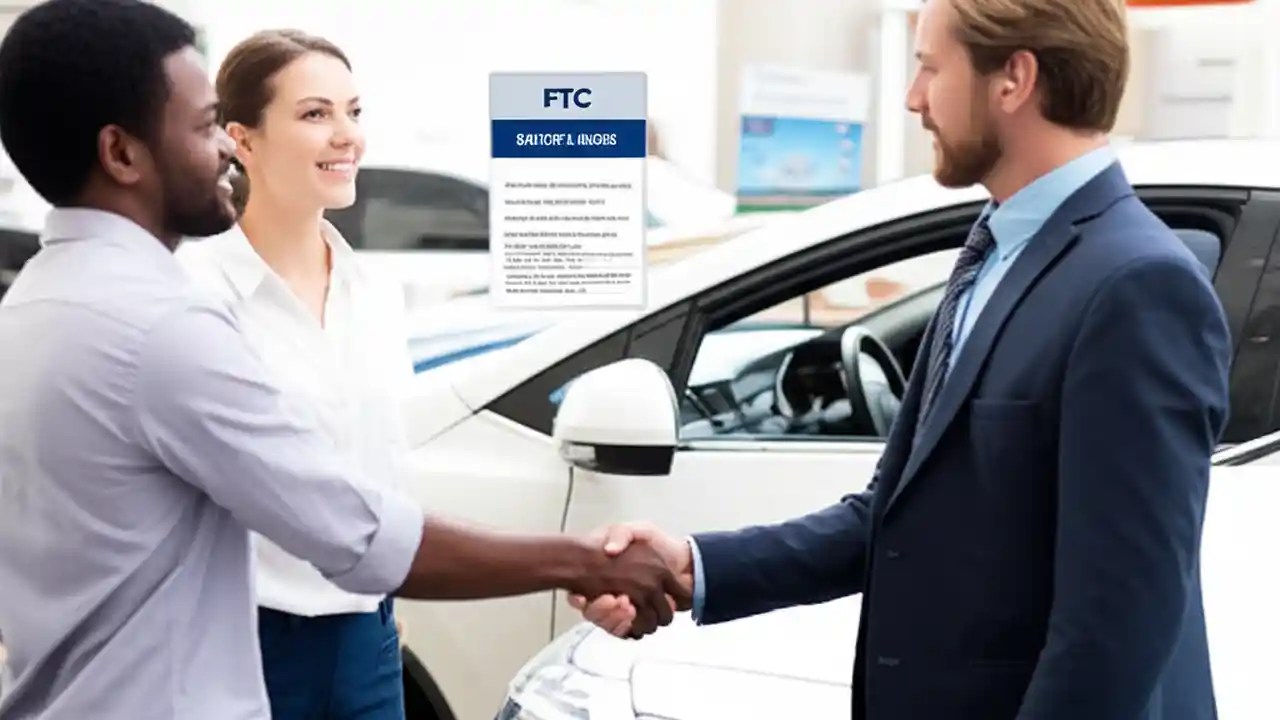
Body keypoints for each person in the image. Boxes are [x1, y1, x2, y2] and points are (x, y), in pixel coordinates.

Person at [0, 2, 687, 719]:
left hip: (351, 639)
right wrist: (584, 561)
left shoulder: (38, 304)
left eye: (352, 110)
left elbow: (378, 486)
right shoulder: (163, 322)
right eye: (206, 128)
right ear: (121, 154)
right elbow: (354, 531)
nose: (223, 153)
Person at [575, 1, 1230, 719]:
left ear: (1013, 78)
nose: (915, 99)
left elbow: (1117, 624)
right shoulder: (996, 250)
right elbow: (889, 517)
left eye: (929, 67)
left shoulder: (1136, 286)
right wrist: (691, 566)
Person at [172, 29, 410, 720]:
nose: (347, 137)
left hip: (368, 637)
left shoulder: (377, 293)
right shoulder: (193, 293)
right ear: (241, 140)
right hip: (241, 640)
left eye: (353, 112)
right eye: (315, 114)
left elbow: (387, 467)